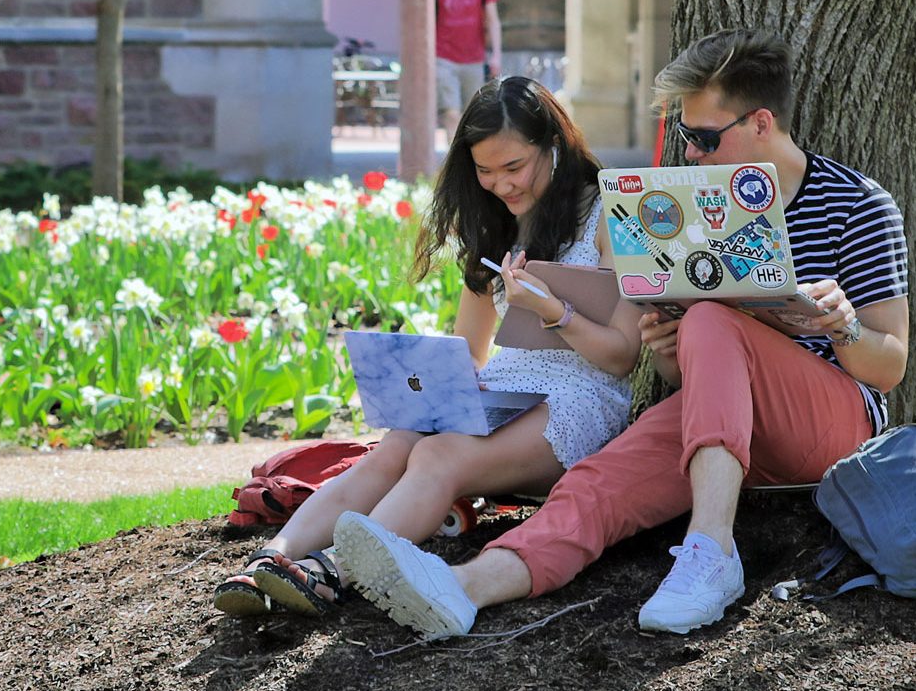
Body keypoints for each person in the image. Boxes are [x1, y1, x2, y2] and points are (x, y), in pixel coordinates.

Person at [334, 29, 910, 639]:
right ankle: (461, 589)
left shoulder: (856, 203)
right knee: (594, 486)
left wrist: (843, 325)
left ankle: (711, 551)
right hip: (720, 429)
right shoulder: (687, 209)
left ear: (762, 122)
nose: (690, 153)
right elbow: (687, 377)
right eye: (685, 136)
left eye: (706, 138)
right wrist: (667, 351)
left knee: (715, 316)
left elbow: (890, 367)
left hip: (830, 424)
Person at [215, 77, 646, 618]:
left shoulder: (614, 214)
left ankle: (331, 572)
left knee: (438, 454)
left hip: (580, 398)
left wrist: (552, 311)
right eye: (484, 172)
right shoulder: (497, 227)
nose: (500, 186)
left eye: (513, 168)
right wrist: (421, 381)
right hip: (502, 393)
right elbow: (470, 351)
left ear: (554, 146)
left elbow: (622, 356)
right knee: (398, 444)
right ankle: (272, 560)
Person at [433, 0, 502, 136]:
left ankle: (470, 161)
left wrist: (496, 54)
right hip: (444, 57)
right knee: (451, 113)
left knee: (473, 115)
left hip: (474, 58)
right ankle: (453, 160)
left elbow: (493, 19)